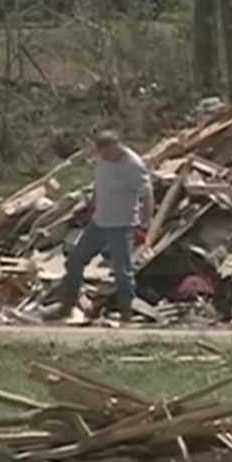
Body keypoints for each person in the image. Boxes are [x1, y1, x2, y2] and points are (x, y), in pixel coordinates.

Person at [53, 130, 153, 320]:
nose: (104, 157)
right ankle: (66, 306)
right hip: (98, 223)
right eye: (101, 154)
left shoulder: (133, 165)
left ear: (116, 146)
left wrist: (145, 223)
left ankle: (126, 313)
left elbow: (147, 194)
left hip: (122, 225)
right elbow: (99, 186)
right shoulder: (103, 161)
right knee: (74, 261)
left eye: (107, 153)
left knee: (122, 271)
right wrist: (91, 208)